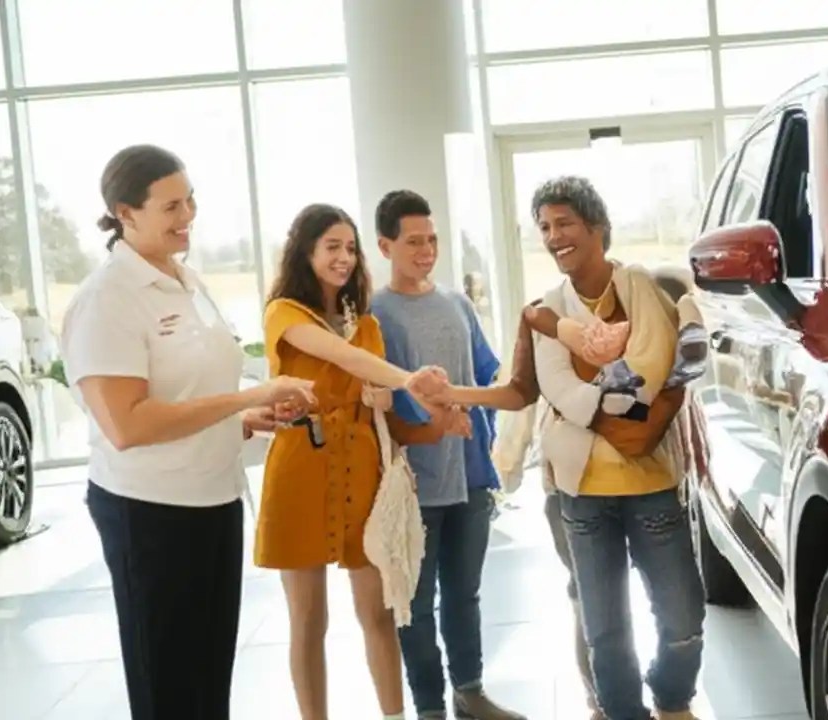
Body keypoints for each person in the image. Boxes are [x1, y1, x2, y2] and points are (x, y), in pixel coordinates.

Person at [61, 144, 318, 720]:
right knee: (169, 688)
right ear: (125, 213)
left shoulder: (189, 282)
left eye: (191, 199)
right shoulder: (107, 300)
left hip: (214, 500)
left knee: (208, 682)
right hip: (149, 514)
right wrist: (251, 395)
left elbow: (192, 396)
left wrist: (249, 419)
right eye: (171, 206)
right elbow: (126, 424)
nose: (188, 215)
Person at [254, 202, 469, 720]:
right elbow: (338, 356)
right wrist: (404, 379)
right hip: (301, 469)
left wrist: (392, 400)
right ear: (305, 251)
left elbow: (376, 392)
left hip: (363, 470)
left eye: (350, 248)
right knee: (308, 619)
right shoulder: (284, 312)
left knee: (377, 611)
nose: (344, 258)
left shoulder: (367, 324)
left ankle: (394, 716)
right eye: (332, 247)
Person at [525, 175, 705, 720]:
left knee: (682, 618)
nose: (555, 236)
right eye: (545, 228)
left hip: (650, 484)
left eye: (565, 223)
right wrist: (615, 400)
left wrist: (595, 394)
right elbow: (554, 383)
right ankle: (625, 713)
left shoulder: (637, 286)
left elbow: (652, 369)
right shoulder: (547, 308)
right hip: (581, 493)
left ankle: (671, 696)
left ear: (597, 228)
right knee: (605, 629)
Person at [367, 190, 525, 720]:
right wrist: (432, 423)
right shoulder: (376, 315)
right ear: (385, 244)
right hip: (416, 484)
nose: (426, 250)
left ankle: (471, 692)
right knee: (415, 605)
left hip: (472, 478)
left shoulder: (458, 303)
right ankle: (430, 707)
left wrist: (484, 432)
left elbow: (487, 373)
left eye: (432, 239)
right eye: (414, 241)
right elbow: (382, 402)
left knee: (466, 594)